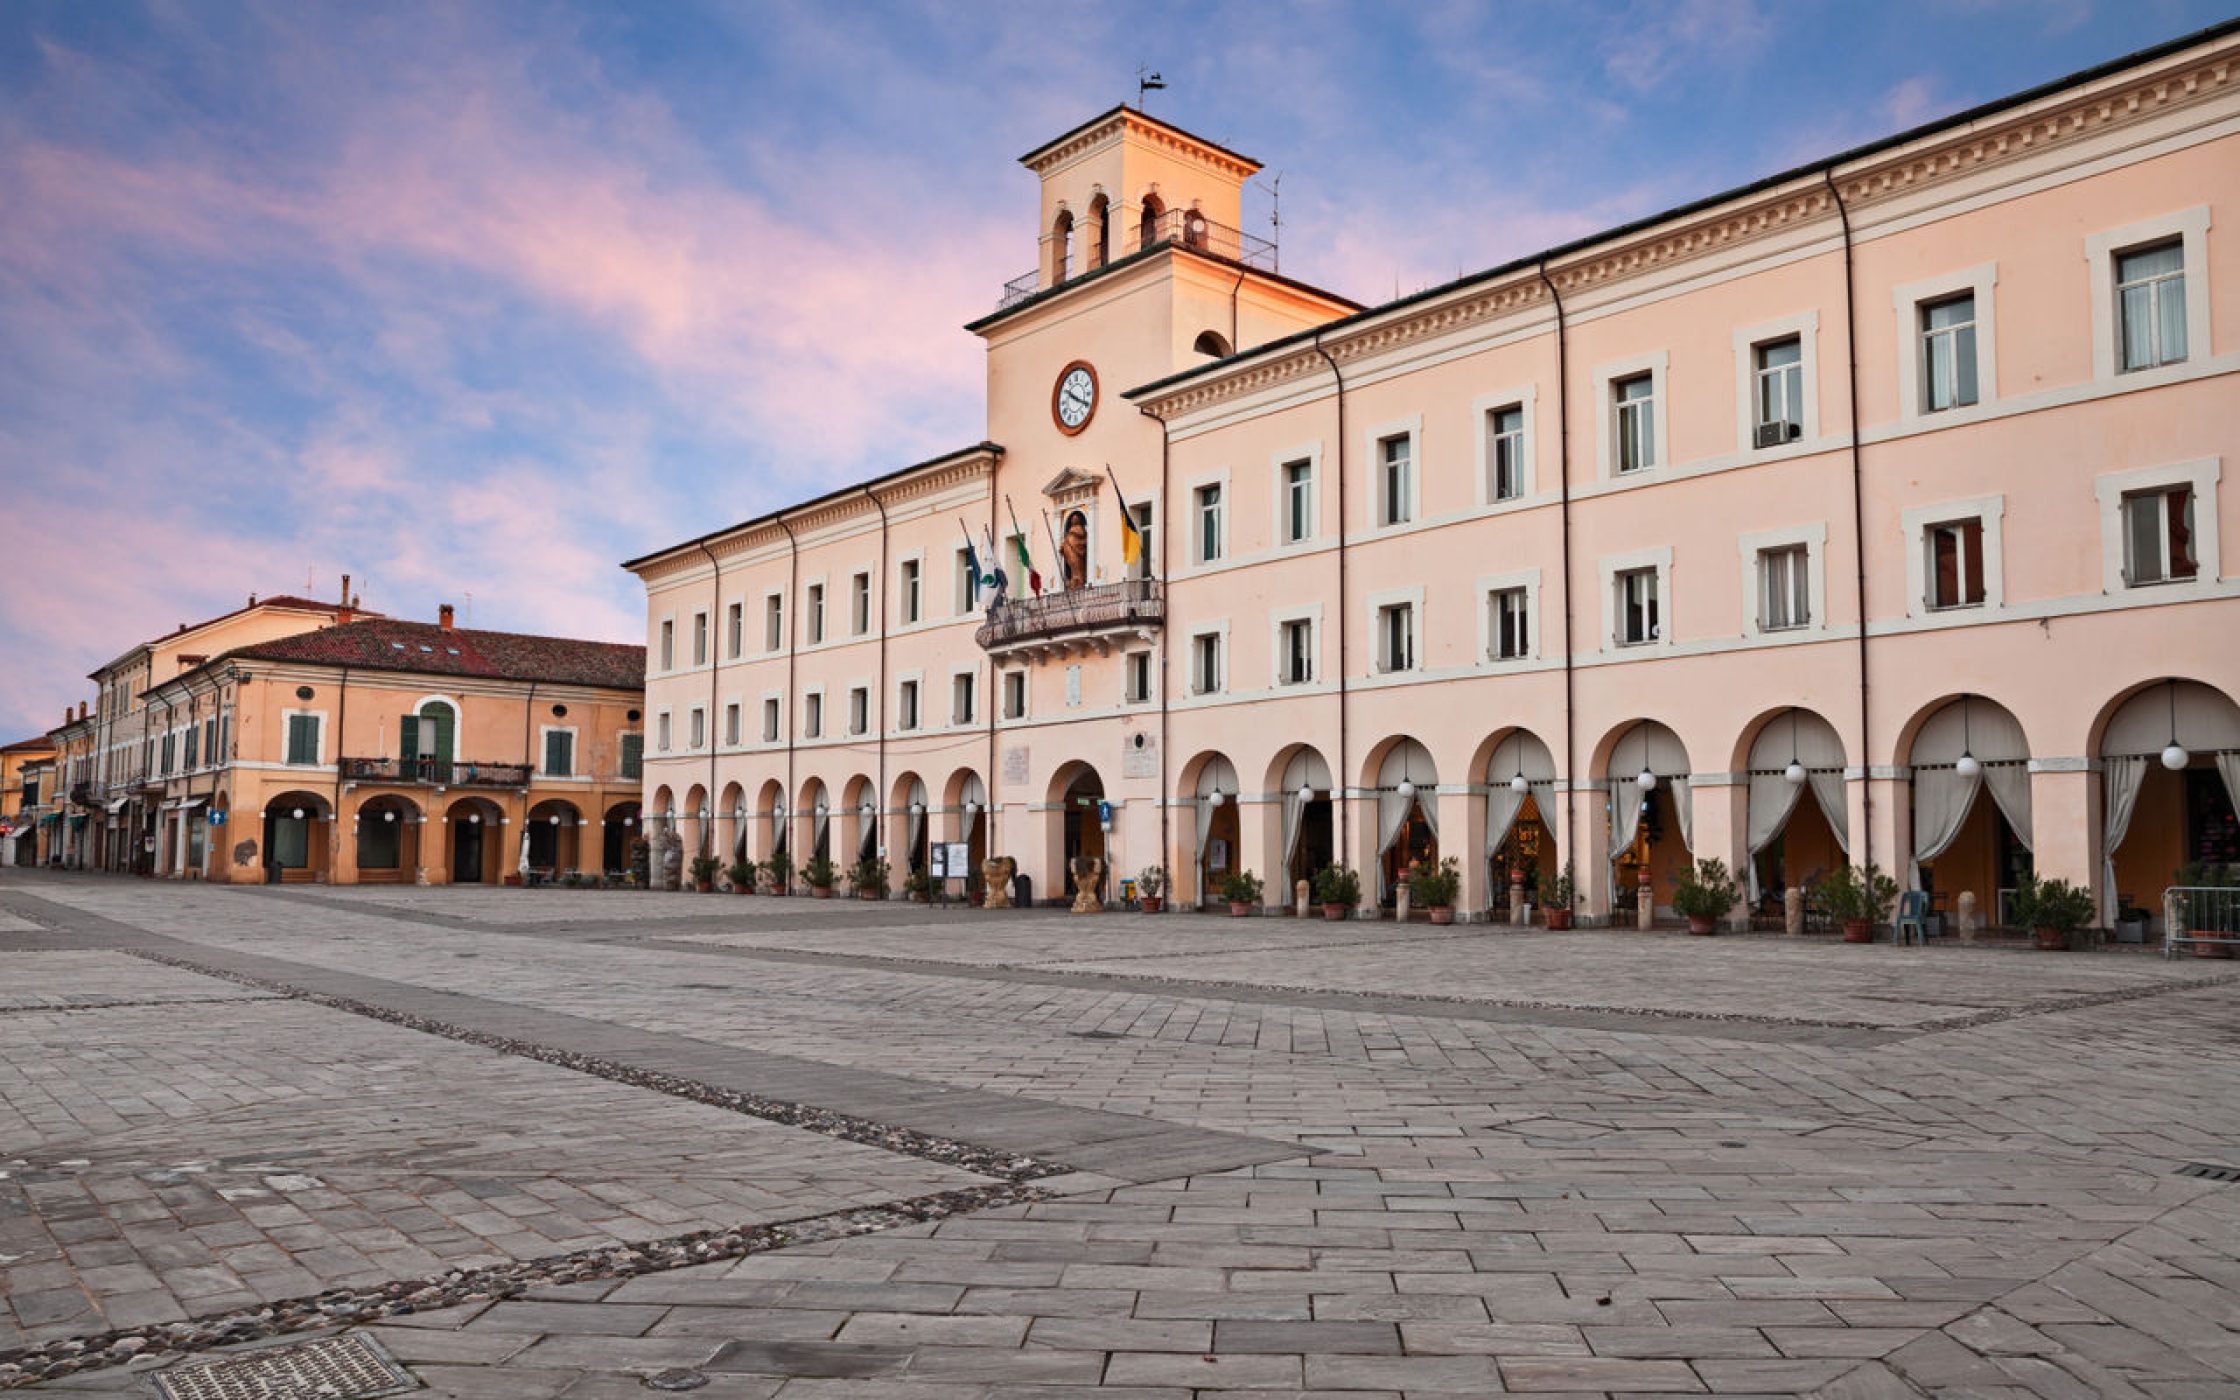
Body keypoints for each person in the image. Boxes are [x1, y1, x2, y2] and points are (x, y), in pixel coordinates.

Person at [1061, 510, 1088, 590]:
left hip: (1078, 552)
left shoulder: (1080, 528)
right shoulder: (1070, 531)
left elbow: (1082, 536)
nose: (1073, 520)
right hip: (1070, 551)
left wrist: (1072, 536)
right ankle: (1074, 579)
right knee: (1072, 566)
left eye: (1075, 518)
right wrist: (1064, 545)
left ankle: (1079, 580)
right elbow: (1067, 539)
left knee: (1078, 565)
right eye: (1072, 519)